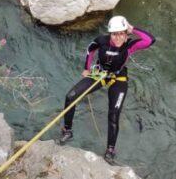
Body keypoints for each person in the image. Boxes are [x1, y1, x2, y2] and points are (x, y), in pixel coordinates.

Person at [58, 15, 155, 164]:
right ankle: (67, 130)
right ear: (110, 33)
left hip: (119, 78)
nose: (117, 38)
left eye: (121, 33)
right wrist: (86, 68)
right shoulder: (102, 41)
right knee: (71, 96)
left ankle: (110, 149)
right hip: (100, 74)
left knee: (113, 115)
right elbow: (90, 49)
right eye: (114, 34)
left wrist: (132, 29)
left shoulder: (129, 46)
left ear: (126, 34)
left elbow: (150, 40)